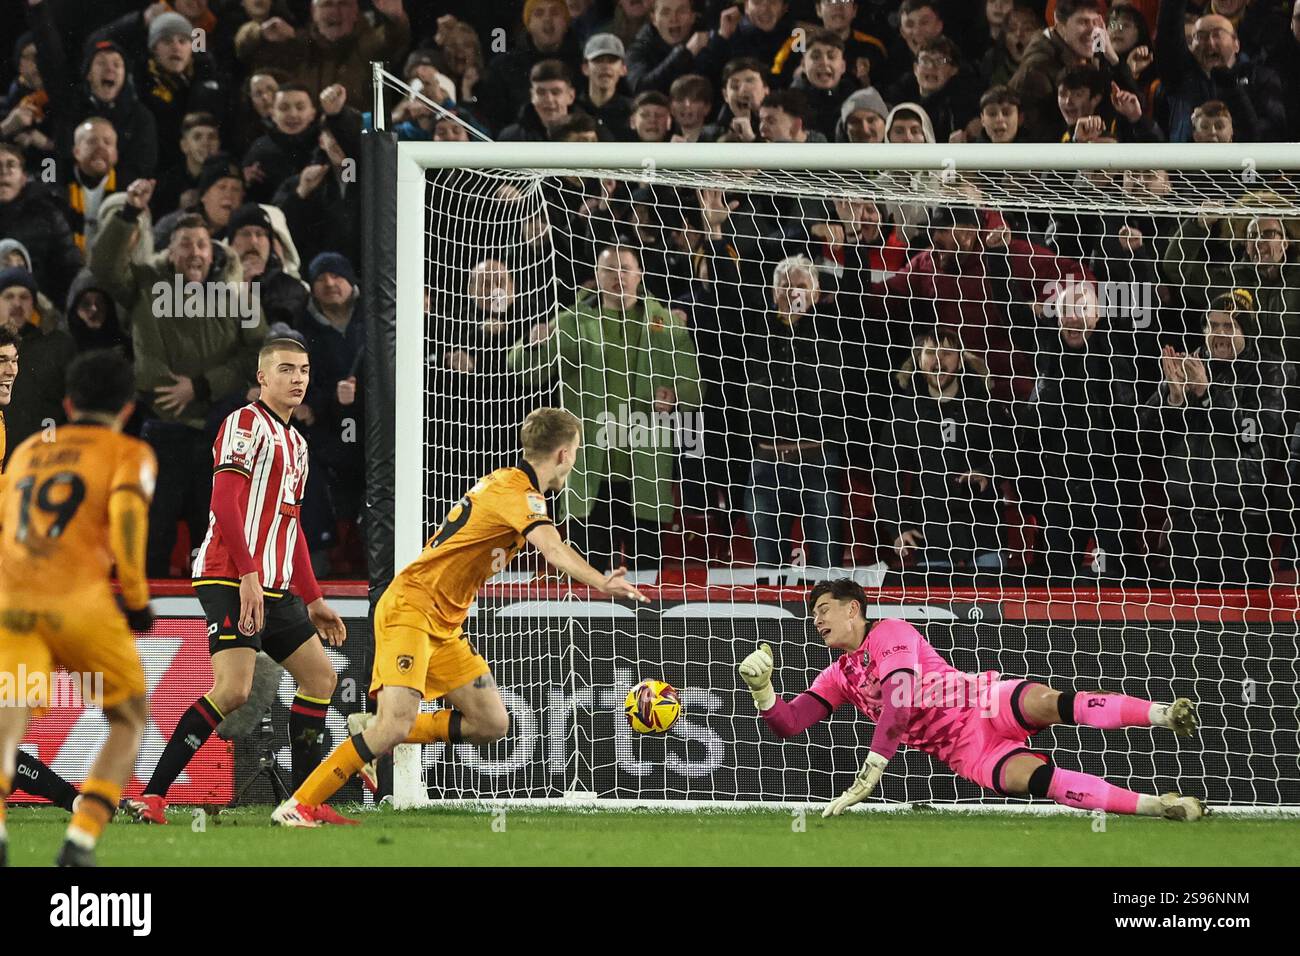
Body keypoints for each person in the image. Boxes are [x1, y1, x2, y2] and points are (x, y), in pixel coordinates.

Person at [272, 408, 649, 826]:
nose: (574, 461)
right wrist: (600, 581)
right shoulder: (520, 493)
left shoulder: (507, 483)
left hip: (444, 624)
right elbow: (554, 550)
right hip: (412, 608)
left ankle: (371, 727)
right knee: (394, 725)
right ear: (563, 454)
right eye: (575, 452)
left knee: (491, 722)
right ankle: (300, 805)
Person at [738, 580, 1206, 820]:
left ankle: (1163, 714)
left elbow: (899, 701)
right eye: (812, 614)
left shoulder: (890, 634)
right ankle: (1157, 805)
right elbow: (789, 724)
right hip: (967, 751)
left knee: (1049, 701)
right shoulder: (837, 675)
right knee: (1039, 780)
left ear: (852, 608)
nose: (816, 621)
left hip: (981, 701)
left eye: (822, 609)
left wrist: (872, 769)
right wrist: (763, 691)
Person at [127, 337, 348, 824]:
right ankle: (153, 795)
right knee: (233, 690)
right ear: (262, 378)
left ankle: (301, 803)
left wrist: (313, 598)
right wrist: (247, 573)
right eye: (286, 369)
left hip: (273, 584)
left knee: (320, 678)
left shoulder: (298, 445)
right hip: (230, 576)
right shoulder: (245, 423)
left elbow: (291, 527)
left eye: (305, 370)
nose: (298, 378)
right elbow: (224, 502)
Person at [0, 349, 158, 866]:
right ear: (129, 408)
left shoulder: (24, 452)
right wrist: (135, 600)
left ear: (68, 403)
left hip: (14, 605)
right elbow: (128, 520)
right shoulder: (127, 453)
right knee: (129, 717)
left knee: (8, 721)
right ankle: (81, 840)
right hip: (80, 606)